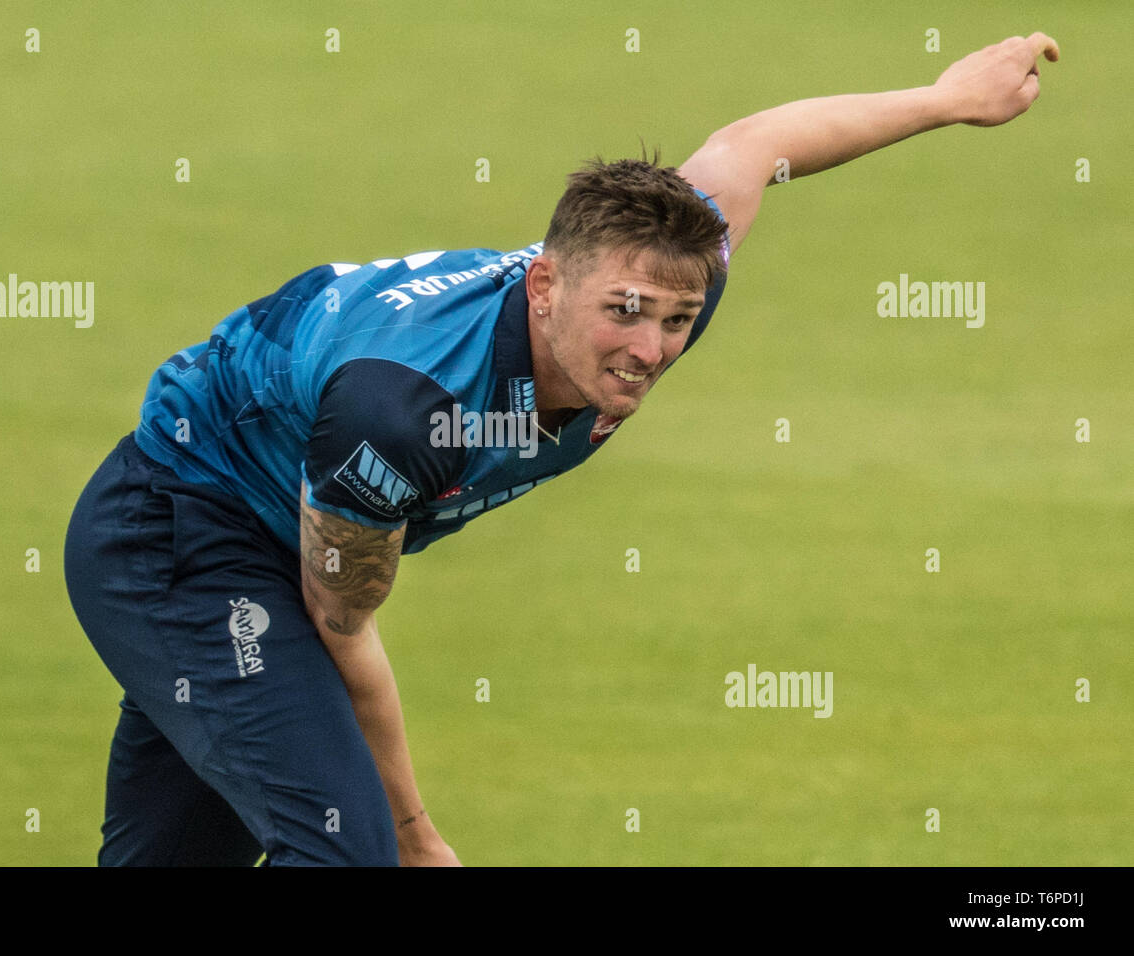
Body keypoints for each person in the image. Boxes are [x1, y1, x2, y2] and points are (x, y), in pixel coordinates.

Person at [64, 32, 1059, 866]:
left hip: (280, 520)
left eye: (674, 319)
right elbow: (340, 621)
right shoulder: (403, 410)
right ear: (544, 286)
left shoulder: (668, 277)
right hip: (184, 531)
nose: (650, 350)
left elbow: (753, 145)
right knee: (344, 844)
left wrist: (941, 100)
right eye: (624, 314)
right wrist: (415, 832)